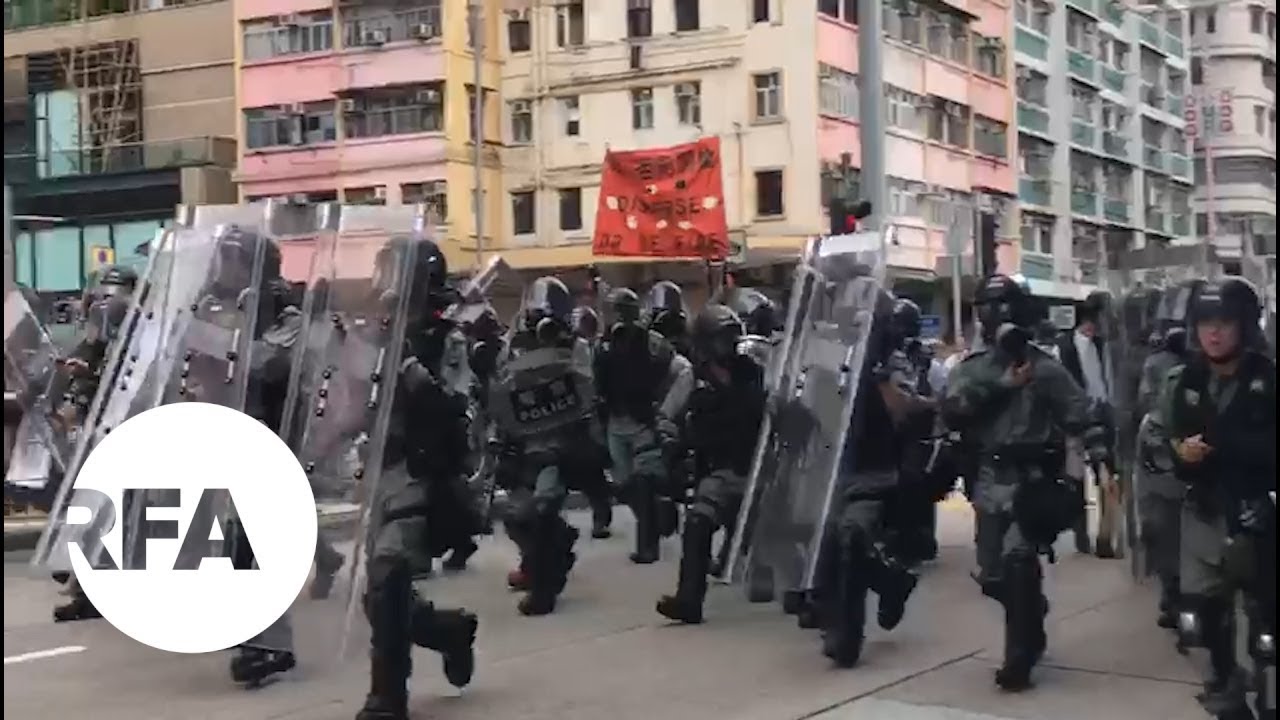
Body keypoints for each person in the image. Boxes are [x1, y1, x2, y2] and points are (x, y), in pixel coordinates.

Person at [943, 274, 1089, 691]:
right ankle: (1031, 613)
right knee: (991, 575)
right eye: (990, 308)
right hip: (989, 478)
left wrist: (1077, 469)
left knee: (1019, 562)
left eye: (1004, 306)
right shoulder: (972, 368)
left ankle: (1019, 658)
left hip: (1033, 481)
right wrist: (1002, 385)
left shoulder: (1045, 366)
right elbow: (952, 412)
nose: (997, 316)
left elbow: (1078, 414)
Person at [355, 236, 478, 720]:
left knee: (387, 581)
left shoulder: (445, 340)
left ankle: (387, 697)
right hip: (379, 471)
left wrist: (411, 371)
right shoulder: (374, 337)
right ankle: (448, 630)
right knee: (376, 597)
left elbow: (458, 404)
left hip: (421, 472)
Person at [1164, 277, 1275, 720]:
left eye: (1225, 323)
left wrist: (1229, 445)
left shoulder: (1267, 381)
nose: (1214, 332)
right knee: (1201, 620)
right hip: (1204, 515)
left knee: (1266, 627)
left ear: (1244, 326)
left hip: (1258, 513)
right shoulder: (1184, 379)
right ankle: (1227, 690)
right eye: (1205, 322)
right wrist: (1180, 453)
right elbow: (1164, 437)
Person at [812, 289, 928, 667]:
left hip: (875, 469)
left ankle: (845, 633)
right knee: (821, 539)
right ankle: (891, 581)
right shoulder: (830, 354)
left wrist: (877, 379)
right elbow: (811, 399)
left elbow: (904, 410)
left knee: (851, 534)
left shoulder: (892, 361)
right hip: (831, 468)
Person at [655, 304, 765, 624]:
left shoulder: (757, 371)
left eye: (732, 337)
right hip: (720, 470)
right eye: (721, 339)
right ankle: (690, 600)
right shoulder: (693, 378)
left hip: (763, 470)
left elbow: (784, 401)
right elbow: (666, 417)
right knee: (698, 521)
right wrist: (670, 444)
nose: (729, 345)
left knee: (767, 585)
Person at [492, 276, 595, 615]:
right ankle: (548, 553)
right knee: (514, 515)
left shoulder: (576, 348)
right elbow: (500, 390)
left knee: (542, 510)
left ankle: (544, 588)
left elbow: (585, 392)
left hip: (561, 442)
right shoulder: (514, 347)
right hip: (525, 442)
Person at [596, 285, 694, 564]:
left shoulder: (652, 342)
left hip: (643, 422)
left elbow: (684, 371)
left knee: (642, 483)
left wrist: (664, 412)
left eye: (616, 311)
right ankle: (662, 515)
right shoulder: (601, 345)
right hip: (615, 421)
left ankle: (647, 547)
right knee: (625, 485)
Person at [1056, 291, 1113, 556]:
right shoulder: (1064, 346)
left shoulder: (1106, 345)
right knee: (1076, 478)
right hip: (1076, 419)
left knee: (1107, 474)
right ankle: (1081, 535)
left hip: (1105, 414)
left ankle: (1106, 531)